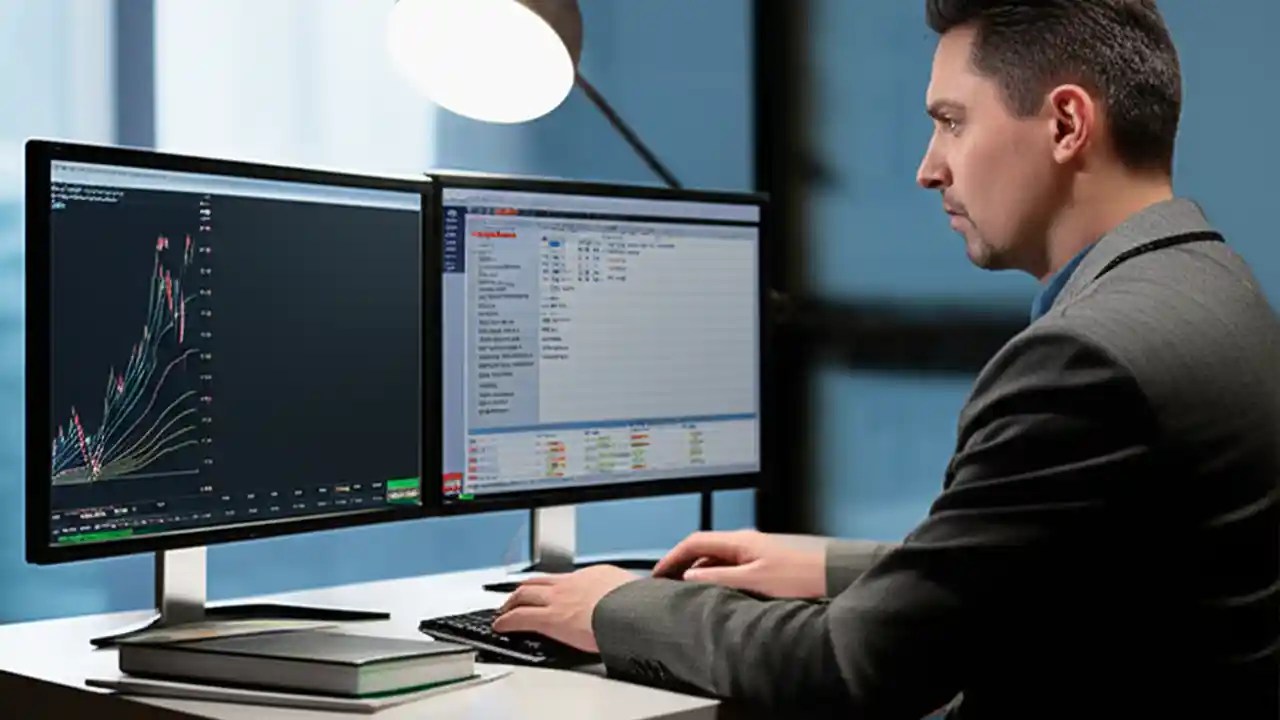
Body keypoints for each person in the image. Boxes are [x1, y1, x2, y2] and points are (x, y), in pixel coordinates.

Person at [493, 1, 1280, 716]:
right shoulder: (1214, 288)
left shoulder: (1085, 361)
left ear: (1067, 124)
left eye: (952, 121)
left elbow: (856, 666)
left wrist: (612, 608)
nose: (928, 167)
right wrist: (830, 568)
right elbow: (1066, 571)